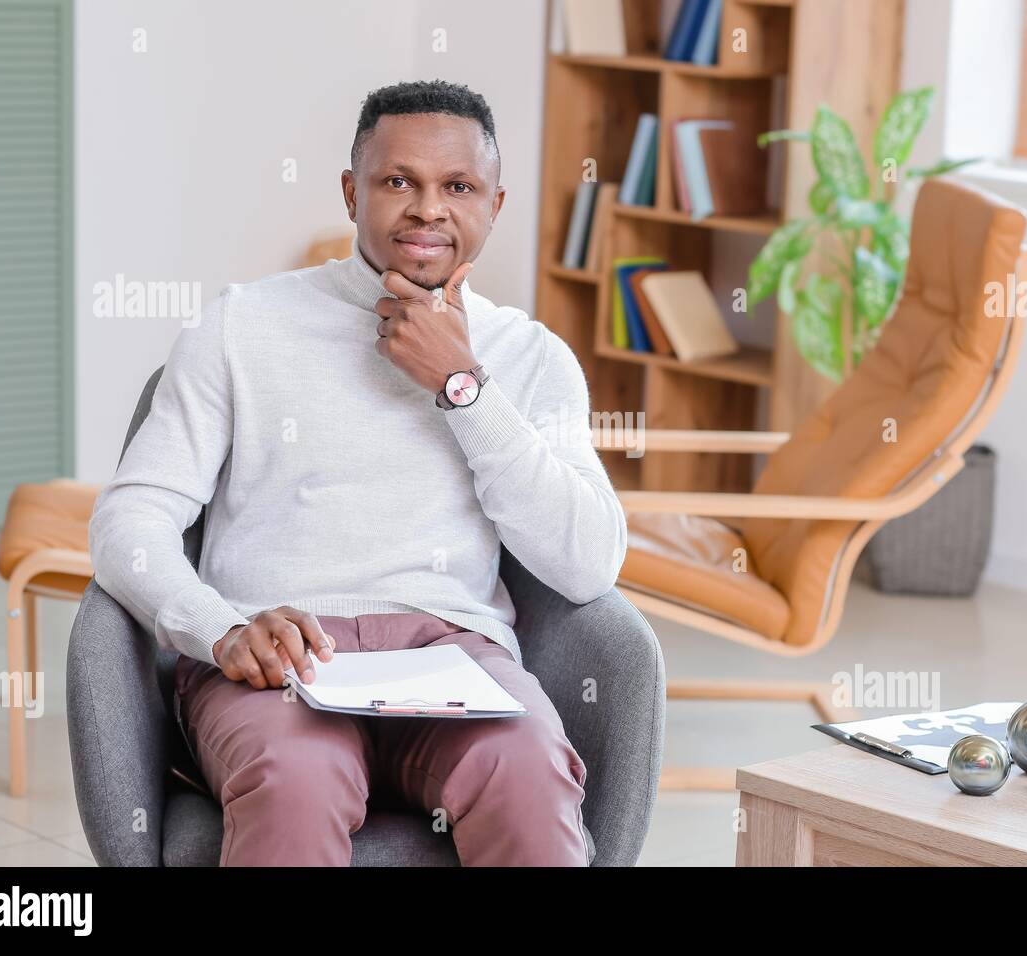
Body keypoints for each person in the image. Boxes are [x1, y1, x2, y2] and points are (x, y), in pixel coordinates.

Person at [88, 79, 627, 866]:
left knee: (530, 774)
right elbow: (128, 522)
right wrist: (220, 628)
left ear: (495, 206)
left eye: (459, 187)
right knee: (294, 781)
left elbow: (588, 567)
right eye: (399, 181)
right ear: (352, 192)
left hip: (452, 655)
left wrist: (463, 388)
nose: (428, 209)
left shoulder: (534, 358)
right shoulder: (242, 325)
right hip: (281, 655)